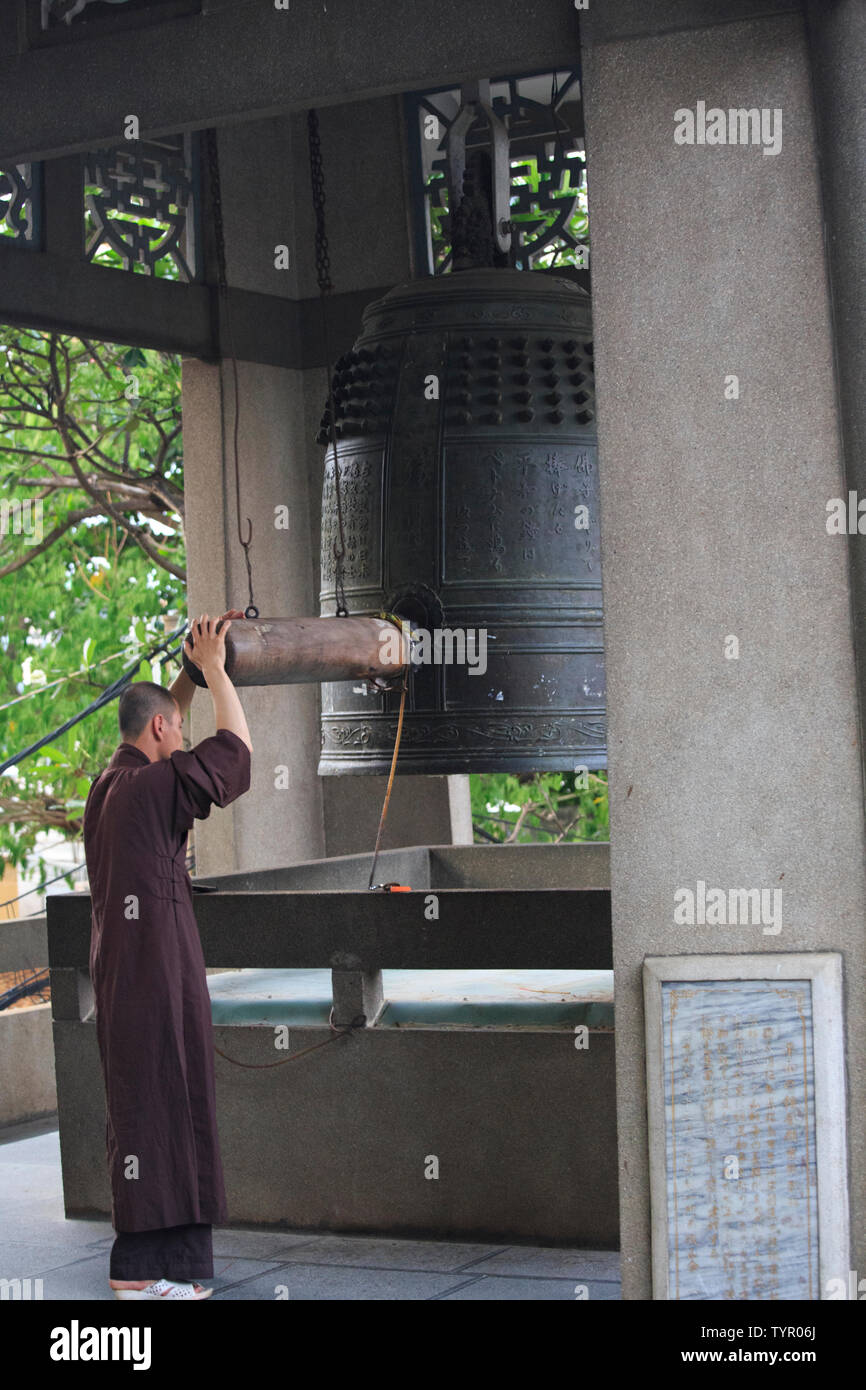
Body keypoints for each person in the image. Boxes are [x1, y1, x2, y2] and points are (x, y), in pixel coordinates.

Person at [83, 612, 252, 1301]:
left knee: (162, 1105)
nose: (181, 730)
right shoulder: (155, 789)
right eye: (175, 727)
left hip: (130, 973)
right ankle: (134, 1271)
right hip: (155, 973)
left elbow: (167, 722)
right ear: (160, 733)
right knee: (158, 1108)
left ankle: (170, 1269)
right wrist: (216, 669)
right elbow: (237, 753)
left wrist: (185, 670)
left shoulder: (111, 786)